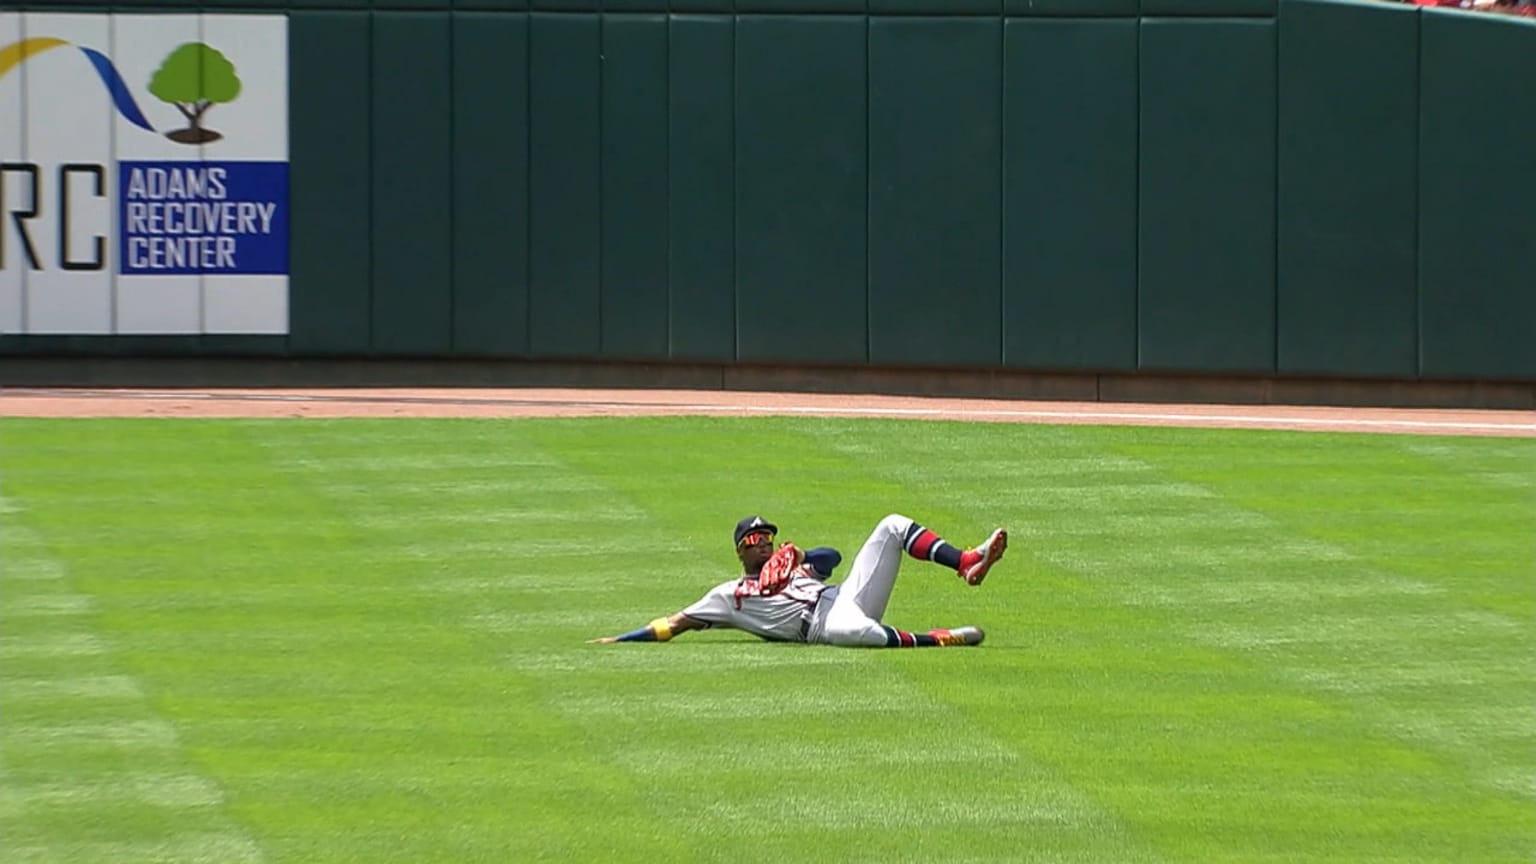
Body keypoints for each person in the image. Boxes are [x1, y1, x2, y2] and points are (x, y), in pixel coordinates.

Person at [589, 513, 1007, 648]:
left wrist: (801, 555)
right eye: (753, 541)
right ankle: (939, 639)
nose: (763, 546)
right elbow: (675, 624)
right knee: (860, 631)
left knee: (893, 525)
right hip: (823, 627)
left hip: (844, 595)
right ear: (739, 550)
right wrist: (622, 640)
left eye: (768, 539)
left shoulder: (793, 566)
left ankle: (966, 562)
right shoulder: (729, 596)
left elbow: (835, 559)